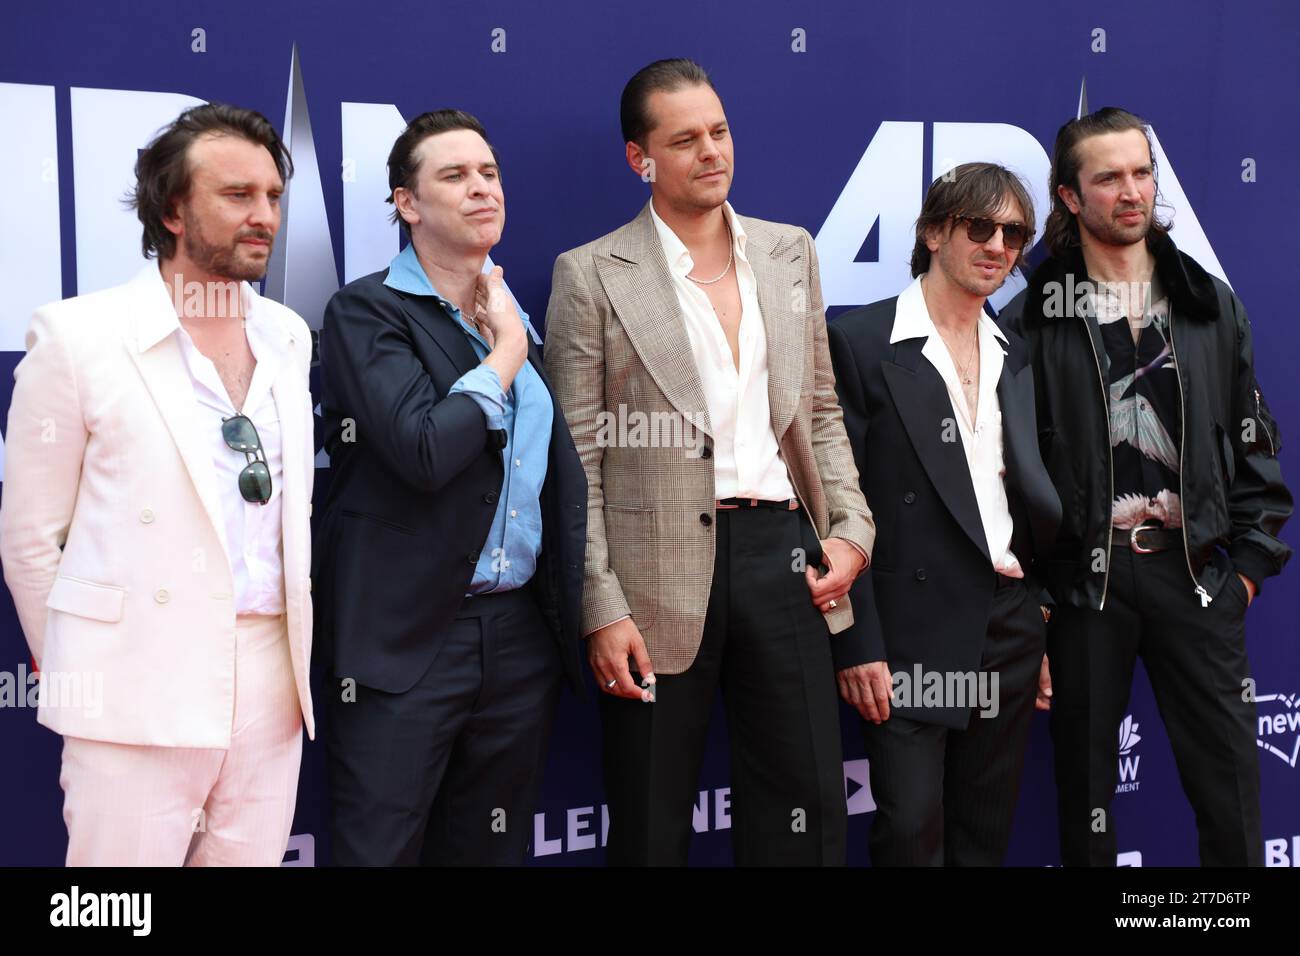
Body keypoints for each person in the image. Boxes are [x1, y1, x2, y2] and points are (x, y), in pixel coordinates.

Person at [543, 58, 874, 866]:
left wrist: (853, 528)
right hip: (652, 578)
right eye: (684, 139)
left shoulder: (788, 251)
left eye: (719, 131)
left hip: (788, 559)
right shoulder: (590, 273)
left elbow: (820, 410)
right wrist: (601, 604)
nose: (711, 151)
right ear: (640, 158)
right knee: (652, 827)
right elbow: (576, 458)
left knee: (806, 818)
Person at [0, 103, 316, 866]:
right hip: (131, 692)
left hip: (273, 687)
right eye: (237, 196)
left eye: (273, 197)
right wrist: (89, 678)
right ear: (173, 210)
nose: (263, 216)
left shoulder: (287, 334)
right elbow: (29, 538)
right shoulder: (79, 337)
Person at [999, 107, 1292, 866]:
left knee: (1230, 793)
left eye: (1142, 173)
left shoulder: (1208, 306)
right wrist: (1038, 596)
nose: (1132, 193)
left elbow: (1254, 439)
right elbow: (1007, 469)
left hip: (1196, 576)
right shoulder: (1034, 319)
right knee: (1085, 799)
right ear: (1070, 197)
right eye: (1109, 179)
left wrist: (1248, 572)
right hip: (1085, 589)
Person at [314, 109, 586, 866]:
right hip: (405, 639)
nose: (480, 189)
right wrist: (506, 353)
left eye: (489, 174)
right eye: (454, 176)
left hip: (517, 638)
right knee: (381, 852)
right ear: (407, 204)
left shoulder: (506, 311)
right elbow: (427, 451)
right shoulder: (367, 311)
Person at [828, 163, 1061, 865]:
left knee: (981, 838)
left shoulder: (1017, 355)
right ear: (933, 232)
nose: (997, 245)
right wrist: (855, 641)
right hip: (907, 633)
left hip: (1008, 623)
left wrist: (1039, 620)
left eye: (1014, 233)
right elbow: (838, 504)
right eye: (978, 227)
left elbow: (1026, 500)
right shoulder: (863, 344)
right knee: (909, 835)